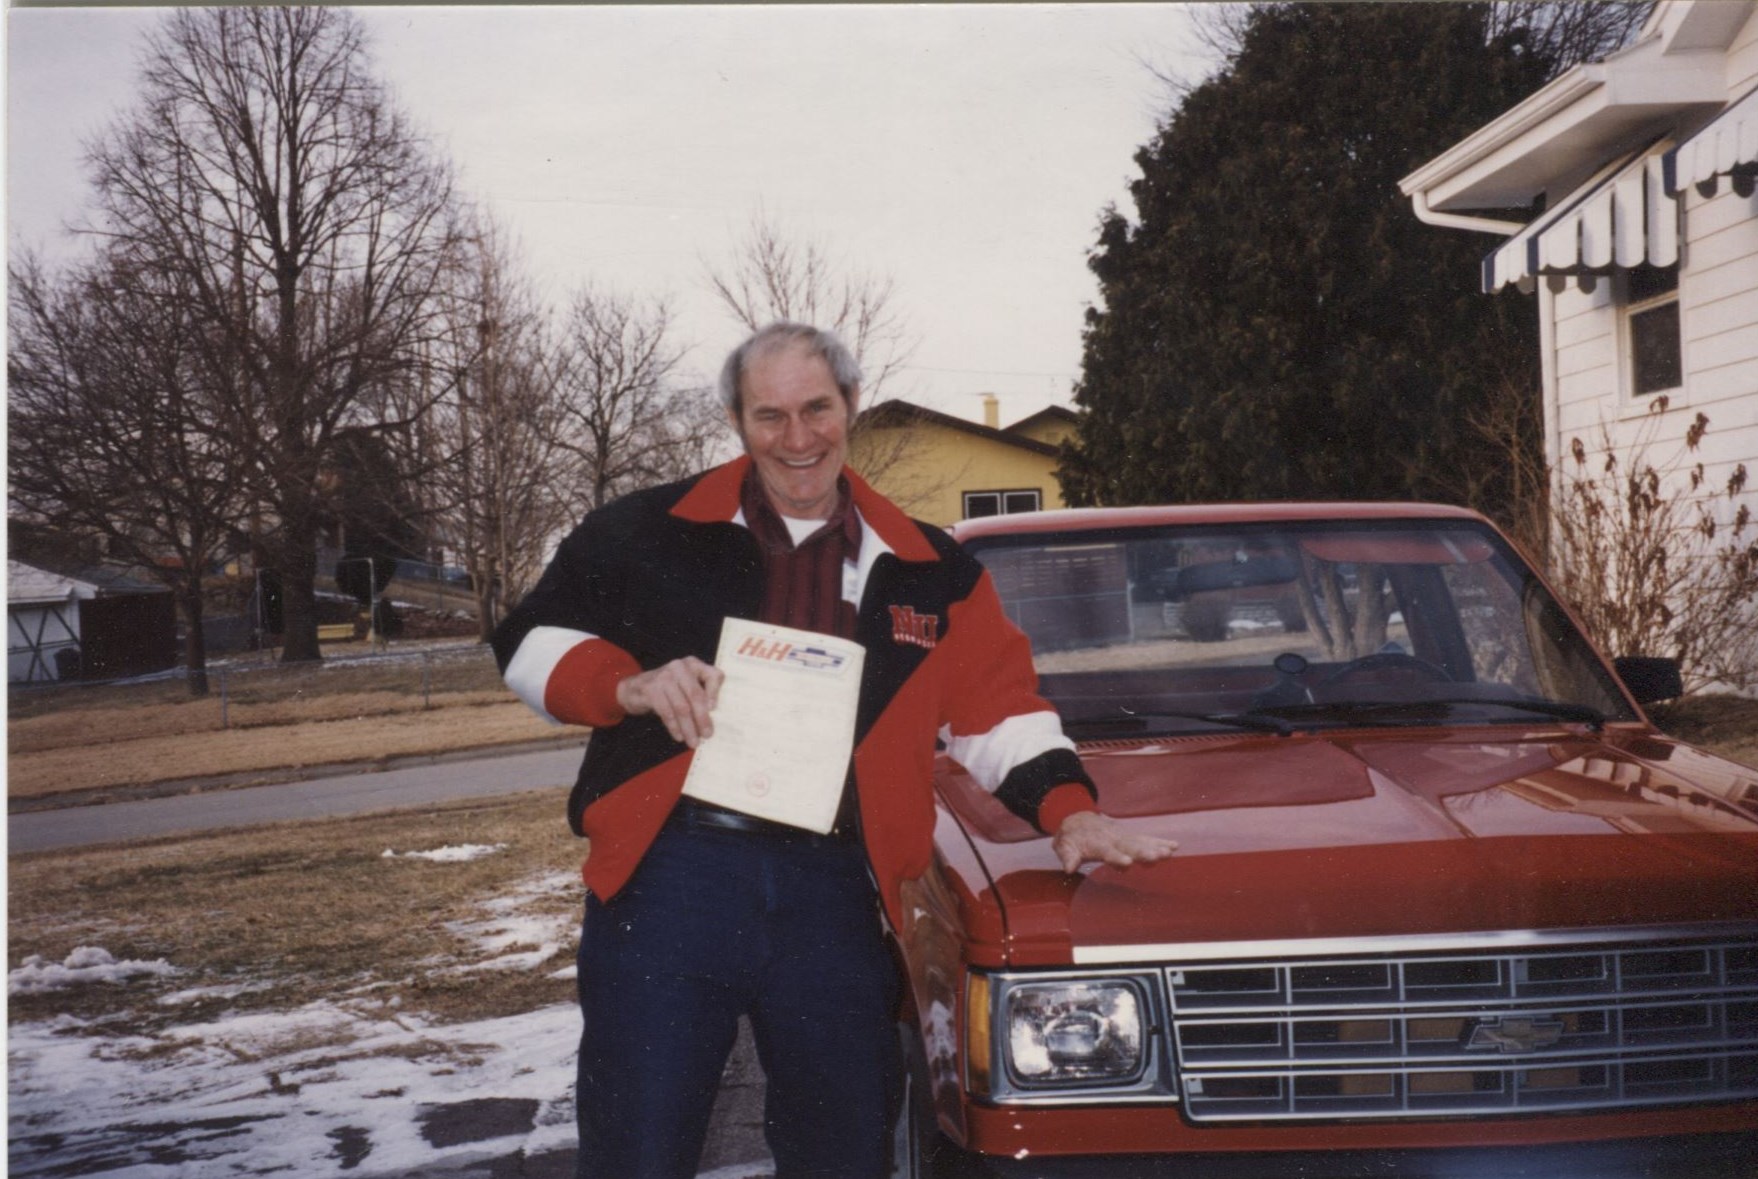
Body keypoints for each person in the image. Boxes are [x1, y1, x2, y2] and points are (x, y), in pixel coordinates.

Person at [492, 322, 1174, 1179]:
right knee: (639, 1146)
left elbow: (996, 711)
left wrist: (1069, 810)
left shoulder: (931, 567)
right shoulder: (644, 531)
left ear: (850, 404)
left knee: (846, 1147)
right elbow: (527, 638)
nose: (799, 437)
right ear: (737, 421)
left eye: (817, 408)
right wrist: (627, 685)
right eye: (769, 415)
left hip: (836, 885)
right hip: (672, 878)